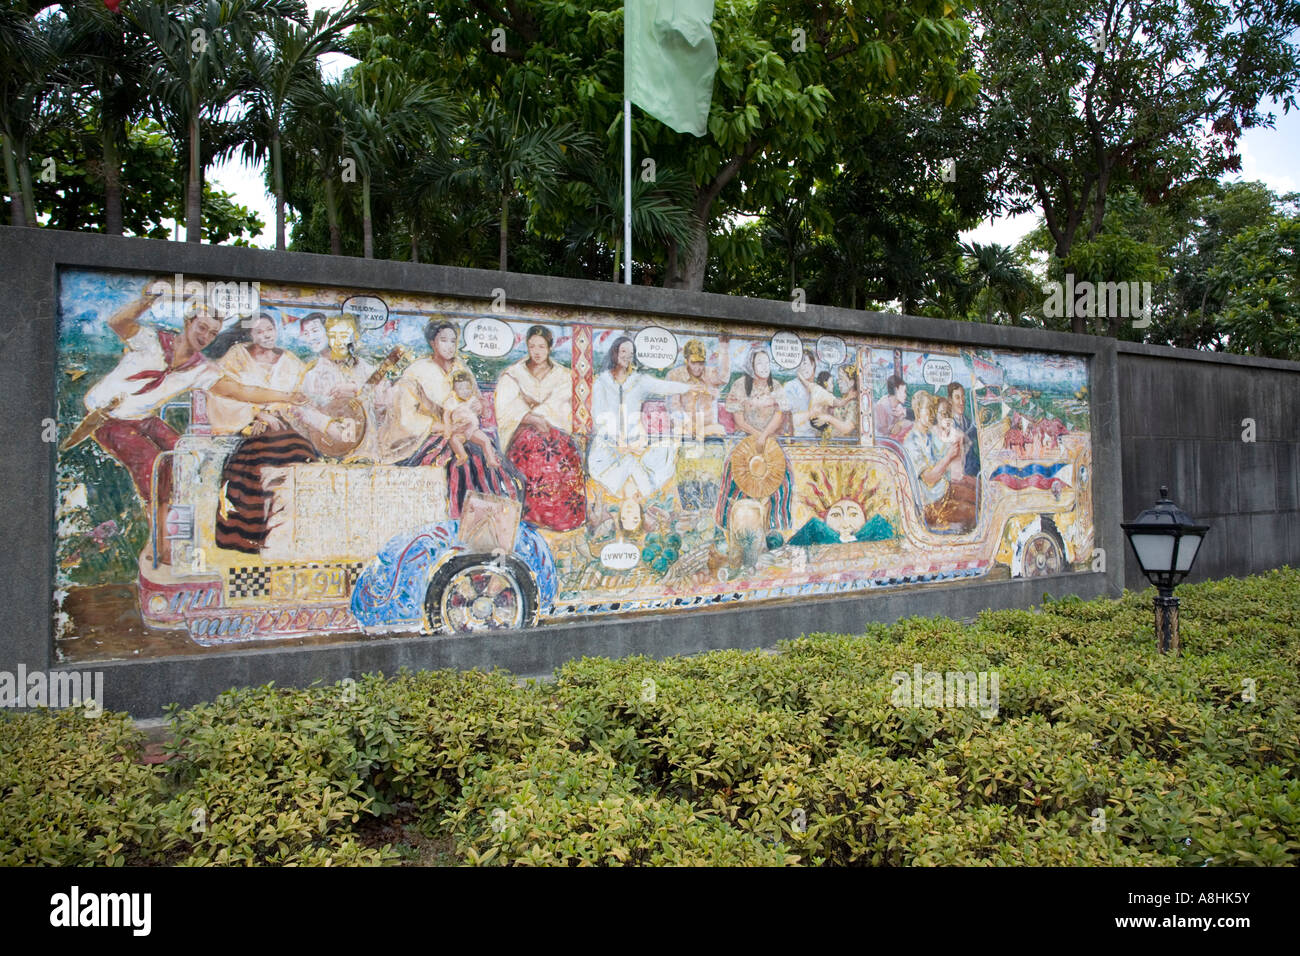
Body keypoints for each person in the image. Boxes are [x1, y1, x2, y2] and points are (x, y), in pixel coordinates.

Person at [77, 291, 308, 507]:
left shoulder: (201, 369)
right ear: (189, 322)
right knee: (151, 463)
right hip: (105, 417)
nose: (205, 337)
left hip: (141, 418)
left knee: (186, 454)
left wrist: (287, 396)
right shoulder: (151, 341)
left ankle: (183, 515)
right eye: (202, 327)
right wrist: (147, 299)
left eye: (212, 333)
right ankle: (159, 529)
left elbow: (241, 391)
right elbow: (117, 322)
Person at [384, 320, 521, 517]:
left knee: (489, 458)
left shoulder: (459, 366)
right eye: (443, 340)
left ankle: (490, 520)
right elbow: (407, 418)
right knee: (458, 464)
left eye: (453, 341)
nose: (449, 346)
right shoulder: (417, 371)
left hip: (465, 428)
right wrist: (443, 427)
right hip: (433, 434)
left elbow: (477, 399)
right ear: (433, 342)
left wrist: (478, 405)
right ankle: (456, 519)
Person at [493, 325, 585, 532]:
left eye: (541, 347)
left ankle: (561, 518)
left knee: (560, 459)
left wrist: (538, 411)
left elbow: (563, 406)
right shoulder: (513, 374)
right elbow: (506, 407)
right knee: (533, 454)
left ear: (550, 348)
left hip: (556, 432)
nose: (537, 351)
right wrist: (529, 416)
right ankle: (531, 518)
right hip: (523, 433)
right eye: (532, 346)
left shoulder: (563, 376)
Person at [586, 335, 697, 503]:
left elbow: (664, 387)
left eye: (630, 353)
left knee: (663, 454)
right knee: (622, 466)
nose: (626, 356)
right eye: (623, 351)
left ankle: (644, 504)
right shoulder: (601, 383)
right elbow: (599, 419)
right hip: (608, 445)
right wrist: (618, 442)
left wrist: (689, 387)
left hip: (636, 442)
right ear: (614, 352)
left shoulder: (638, 381)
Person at [715, 348, 794, 530]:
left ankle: (779, 526)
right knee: (731, 471)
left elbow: (779, 415)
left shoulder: (776, 387)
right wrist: (756, 435)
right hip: (745, 438)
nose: (764, 367)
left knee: (786, 475)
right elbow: (739, 420)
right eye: (759, 363)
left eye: (766, 363)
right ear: (751, 366)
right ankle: (726, 524)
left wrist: (764, 436)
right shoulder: (740, 385)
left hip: (770, 439)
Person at [206, 312, 307, 436]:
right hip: (245, 430)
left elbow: (302, 395)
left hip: (286, 426)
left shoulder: (290, 360)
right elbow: (220, 393)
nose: (267, 335)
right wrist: (255, 414)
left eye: (270, 329)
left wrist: (274, 412)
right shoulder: (237, 355)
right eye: (259, 332)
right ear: (250, 335)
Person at [903, 391, 976, 531]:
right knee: (974, 512)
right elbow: (929, 478)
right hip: (931, 505)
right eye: (928, 409)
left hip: (943, 490)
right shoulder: (912, 442)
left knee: (977, 493)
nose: (931, 414)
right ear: (918, 411)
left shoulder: (929, 435)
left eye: (933, 410)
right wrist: (948, 457)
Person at [666, 337, 730, 441]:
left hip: (708, 430)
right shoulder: (675, 375)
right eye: (693, 363)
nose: (697, 367)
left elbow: (724, 377)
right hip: (683, 431)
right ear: (686, 360)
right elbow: (673, 406)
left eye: (701, 363)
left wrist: (724, 350)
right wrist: (690, 426)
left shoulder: (709, 373)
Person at [442, 370, 497, 468]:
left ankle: (491, 460)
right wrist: (448, 427)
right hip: (460, 430)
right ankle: (462, 455)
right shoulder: (452, 401)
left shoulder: (473, 399)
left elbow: (483, 411)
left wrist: (481, 408)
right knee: (453, 439)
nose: (465, 391)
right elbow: (446, 415)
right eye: (460, 388)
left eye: (467, 388)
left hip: (472, 430)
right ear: (454, 389)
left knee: (485, 441)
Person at [946, 381, 981, 477]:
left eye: (963, 397)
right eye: (957, 397)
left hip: (975, 471)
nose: (961, 402)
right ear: (950, 400)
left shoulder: (969, 422)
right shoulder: (948, 426)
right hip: (960, 476)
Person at [874, 374, 911, 439]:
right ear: (896, 390)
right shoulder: (881, 406)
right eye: (904, 391)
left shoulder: (899, 406)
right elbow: (883, 431)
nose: (906, 395)